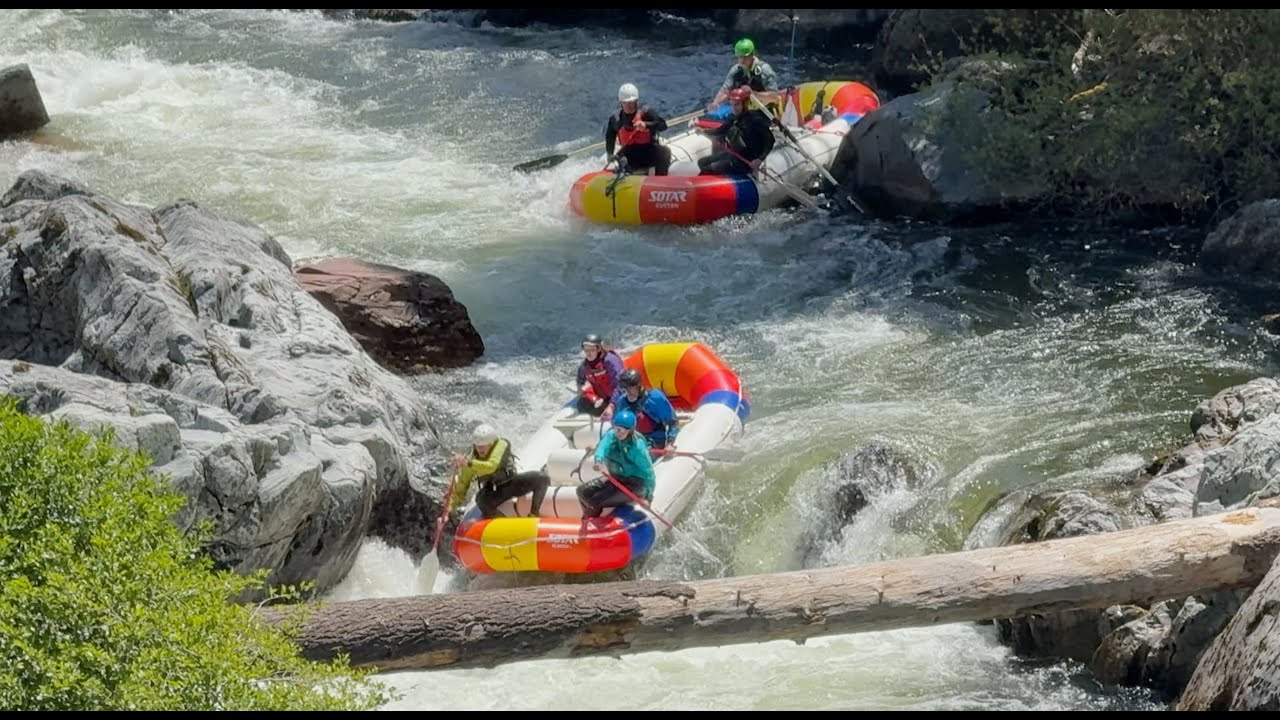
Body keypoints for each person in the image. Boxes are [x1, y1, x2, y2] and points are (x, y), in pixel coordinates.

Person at [450, 423, 550, 519]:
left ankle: (534, 513)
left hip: (512, 483)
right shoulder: (471, 458)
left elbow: (492, 466)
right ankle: (504, 523)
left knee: (542, 478)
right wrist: (452, 506)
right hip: (494, 491)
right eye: (477, 446)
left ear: (491, 443)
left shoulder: (501, 445)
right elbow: (463, 484)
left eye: (483, 446)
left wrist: (470, 463)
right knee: (481, 500)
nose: (480, 449)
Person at [577, 410, 656, 518]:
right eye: (616, 428)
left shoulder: (637, 448)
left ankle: (589, 523)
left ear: (630, 430)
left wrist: (648, 497)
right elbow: (602, 448)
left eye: (621, 430)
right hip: (617, 479)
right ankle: (594, 517)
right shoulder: (612, 435)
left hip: (635, 485)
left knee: (594, 502)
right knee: (582, 491)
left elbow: (649, 473)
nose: (618, 433)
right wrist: (598, 461)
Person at [697, 86, 776, 176]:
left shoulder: (755, 119)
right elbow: (720, 131)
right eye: (732, 104)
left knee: (711, 167)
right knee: (702, 162)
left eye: (737, 104)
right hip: (736, 155)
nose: (734, 108)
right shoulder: (733, 117)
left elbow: (770, 140)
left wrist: (759, 160)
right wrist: (703, 131)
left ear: (745, 104)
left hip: (747, 161)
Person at [604, 83, 672, 176]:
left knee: (664, 152)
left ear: (636, 101)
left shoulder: (646, 112)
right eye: (625, 103)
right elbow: (610, 136)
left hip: (649, 150)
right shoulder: (616, 119)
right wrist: (610, 153)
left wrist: (646, 125)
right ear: (621, 103)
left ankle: (661, 181)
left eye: (631, 102)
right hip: (629, 154)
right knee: (622, 161)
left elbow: (663, 125)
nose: (628, 106)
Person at [605, 367, 680, 450]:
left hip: (653, 440)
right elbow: (616, 426)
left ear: (639, 385)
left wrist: (670, 443)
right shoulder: (622, 401)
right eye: (625, 389)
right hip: (631, 439)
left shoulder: (655, 398)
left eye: (630, 388)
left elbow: (673, 422)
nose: (627, 392)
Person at [707, 38, 781, 111]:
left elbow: (774, 97)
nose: (742, 60)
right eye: (740, 57)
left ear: (752, 54)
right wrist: (716, 103)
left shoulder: (764, 70)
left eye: (745, 57)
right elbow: (725, 91)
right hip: (746, 112)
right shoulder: (735, 71)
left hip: (765, 112)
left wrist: (753, 94)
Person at [575, 333, 624, 416]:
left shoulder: (610, 360)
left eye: (592, 350)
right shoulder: (584, 366)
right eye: (586, 350)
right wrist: (584, 393)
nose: (589, 353)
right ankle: (603, 413)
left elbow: (620, 385)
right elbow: (580, 383)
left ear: (599, 349)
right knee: (581, 405)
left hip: (618, 397)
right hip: (603, 399)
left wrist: (612, 405)